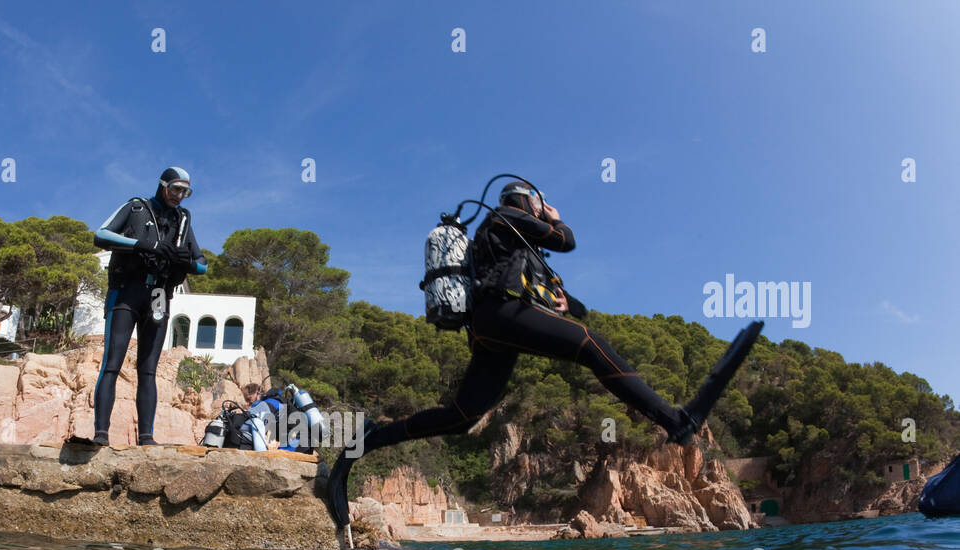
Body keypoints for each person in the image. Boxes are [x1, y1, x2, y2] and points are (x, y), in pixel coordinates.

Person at [324, 178, 764, 529]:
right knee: (590, 345)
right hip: (498, 316)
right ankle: (678, 421)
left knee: (460, 416)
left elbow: (572, 303)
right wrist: (554, 218)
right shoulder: (505, 218)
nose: (541, 209)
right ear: (527, 202)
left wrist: (566, 304)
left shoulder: (520, 250)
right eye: (538, 203)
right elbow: (566, 239)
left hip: (494, 331)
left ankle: (366, 438)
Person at [83, 166, 207, 446]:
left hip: (159, 296)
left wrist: (184, 261)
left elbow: (202, 265)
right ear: (163, 185)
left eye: (185, 192)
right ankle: (101, 434)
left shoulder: (183, 221)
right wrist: (144, 245)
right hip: (127, 291)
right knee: (112, 363)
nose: (180, 196)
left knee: (148, 370)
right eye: (176, 189)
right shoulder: (137, 207)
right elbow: (101, 234)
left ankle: (147, 437)